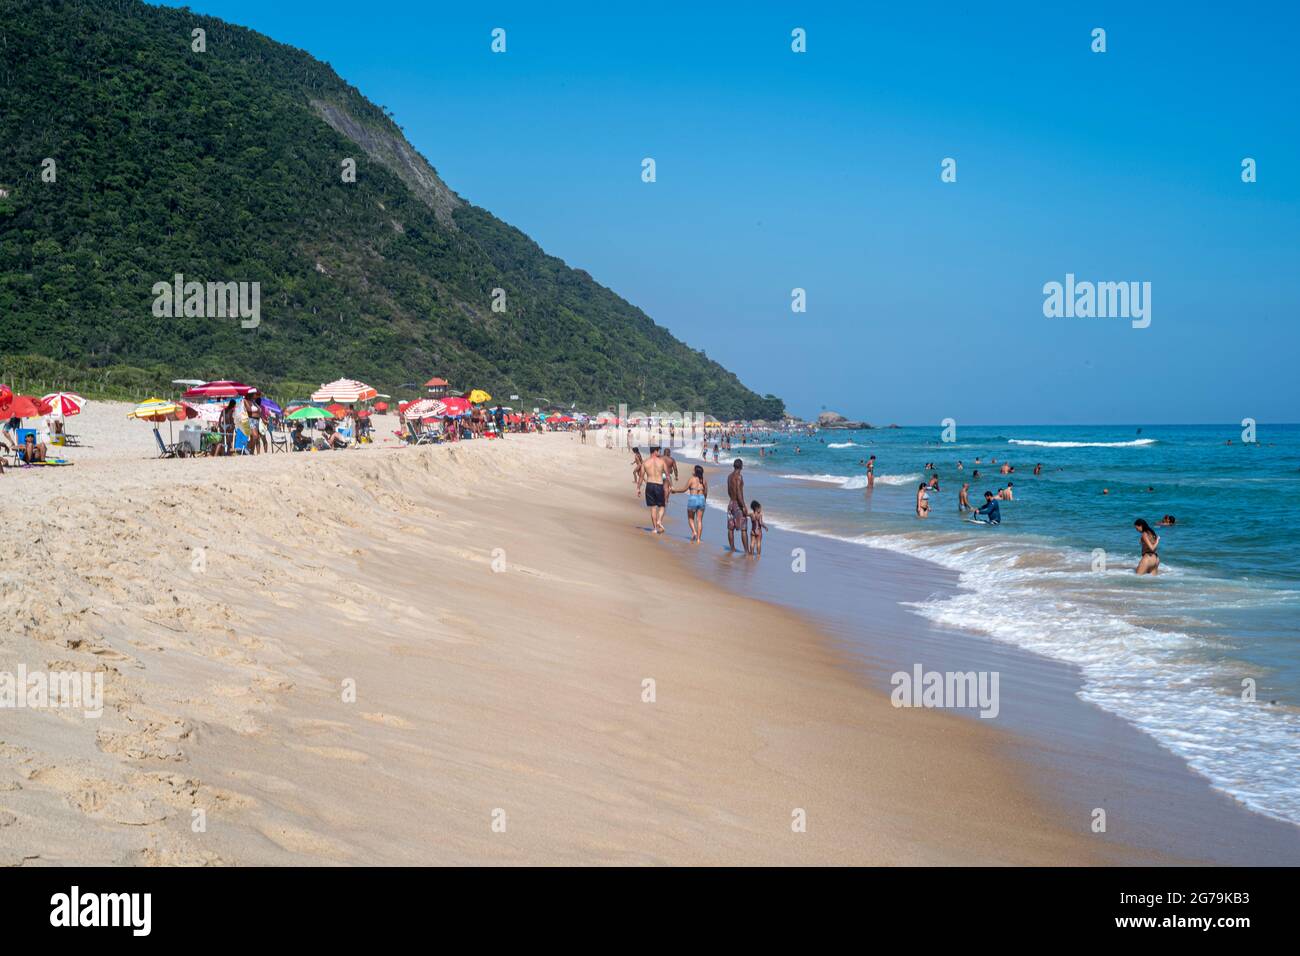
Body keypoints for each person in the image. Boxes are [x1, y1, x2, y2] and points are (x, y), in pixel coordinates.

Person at [676, 465, 708, 543]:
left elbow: (684, 489)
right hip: (701, 499)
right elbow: (706, 492)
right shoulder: (704, 481)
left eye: (693, 470)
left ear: (696, 471)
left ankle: (694, 532)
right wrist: (704, 500)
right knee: (699, 520)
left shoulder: (691, 479)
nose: (692, 471)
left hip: (693, 499)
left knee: (690, 518)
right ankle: (698, 539)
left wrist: (675, 491)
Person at [641, 447, 668, 533]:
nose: (660, 452)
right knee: (662, 506)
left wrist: (638, 487)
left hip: (649, 485)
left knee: (653, 508)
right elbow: (667, 475)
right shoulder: (662, 462)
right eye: (658, 450)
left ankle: (655, 529)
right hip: (659, 485)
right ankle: (659, 520)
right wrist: (670, 485)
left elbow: (641, 476)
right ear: (655, 451)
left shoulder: (645, 462)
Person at [726, 459, 749, 553]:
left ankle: (732, 548)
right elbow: (739, 493)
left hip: (731, 503)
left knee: (730, 527)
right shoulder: (739, 477)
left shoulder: (729, 476)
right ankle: (746, 551)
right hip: (738, 504)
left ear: (734, 466)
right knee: (743, 528)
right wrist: (743, 506)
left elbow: (729, 491)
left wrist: (732, 500)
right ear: (741, 466)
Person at [243, 389, 265, 455]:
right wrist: (257, 410)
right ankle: (247, 448)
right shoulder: (245, 401)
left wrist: (262, 418)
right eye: (256, 394)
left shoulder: (253, 402)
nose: (257, 396)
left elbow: (259, 410)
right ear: (252, 394)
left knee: (255, 438)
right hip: (251, 420)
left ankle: (252, 452)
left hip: (257, 420)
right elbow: (249, 410)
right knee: (255, 436)